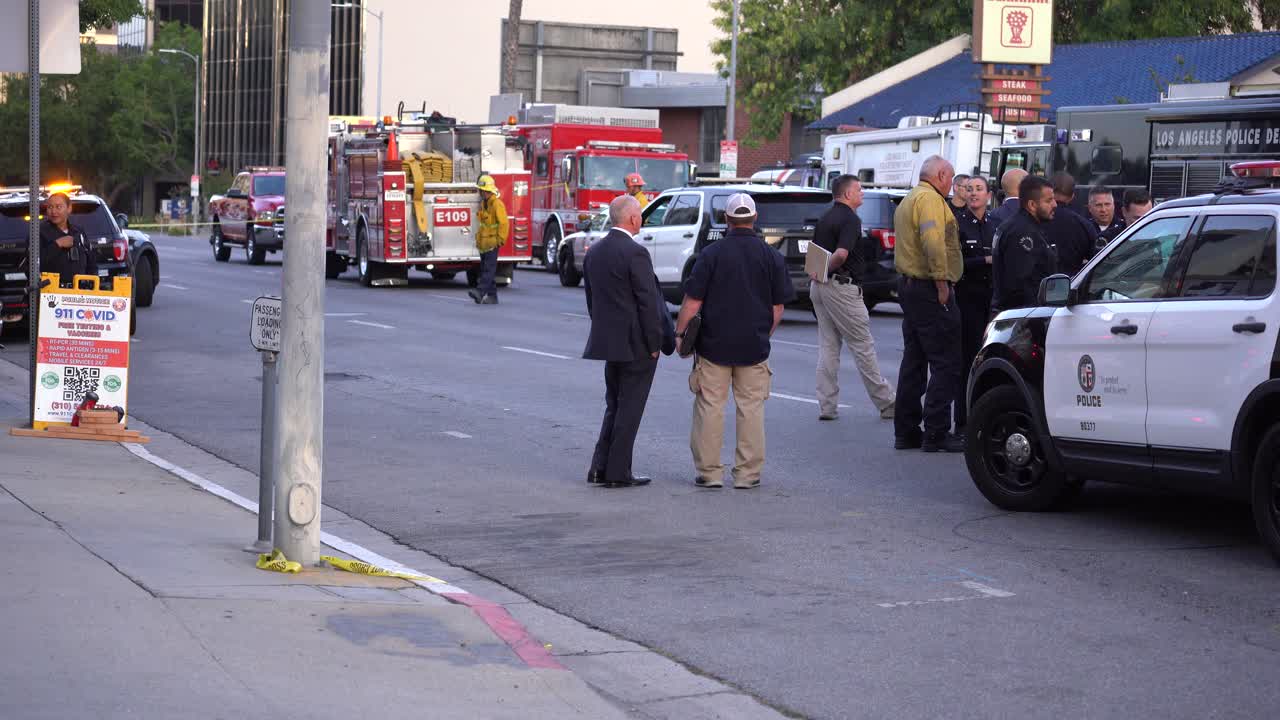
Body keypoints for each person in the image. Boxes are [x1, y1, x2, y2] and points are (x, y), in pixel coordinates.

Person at [676, 193, 793, 489]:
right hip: (753, 345)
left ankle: (710, 473)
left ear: (727, 220)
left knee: (710, 406)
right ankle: (747, 474)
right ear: (754, 219)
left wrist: (680, 335)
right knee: (751, 408)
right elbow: (778, 308)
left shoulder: (711, 254)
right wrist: (762, 333)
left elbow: (692, 302)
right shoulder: (772, 257)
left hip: (713, 344)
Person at [582, 195, 664, 489]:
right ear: (631, 219)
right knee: (629, 409)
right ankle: (618, 472)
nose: (642, 219)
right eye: (640, 214)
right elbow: (647, 303)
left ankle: (599, 467)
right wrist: (655, 343)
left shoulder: (595, 252)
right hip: (636, 344)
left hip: (609, 342)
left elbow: (592, 301)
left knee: (614, 405)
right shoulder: (636, 253)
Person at [892, 156, 965, 453]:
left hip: (910, 287)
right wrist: (941, 282)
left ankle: (906, 431)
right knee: (947, 360)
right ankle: (936, 431)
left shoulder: (910, 198)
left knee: (914, 360)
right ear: (941, 174)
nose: (952, 184)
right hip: (929, 288)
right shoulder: (931, 199)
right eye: (951, 178)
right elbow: (933, 242)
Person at [808, 175, 895, 422]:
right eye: (859, 189)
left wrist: (818, 273)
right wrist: (828, 268)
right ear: (847, 194)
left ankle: (827, 406)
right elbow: (841, 254)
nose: (863, 194)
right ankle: (887, 402)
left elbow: (815, 252)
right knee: (862, 345)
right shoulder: (850, 219)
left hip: (820, 287)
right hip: (842, 288)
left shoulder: (825, 218)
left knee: (828, 346)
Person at [953, 175, 996, 431]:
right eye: (969, 189)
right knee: (967, 361)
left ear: (988, 195)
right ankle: (962, 421)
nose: (974, 193)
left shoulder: (997, 225)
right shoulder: (957, 225)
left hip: (991, 300)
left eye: (979, 189)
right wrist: (984, 261)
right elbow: (955, 265)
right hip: (967, 299)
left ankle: (984, 418)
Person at [991, 175, 1058, 314]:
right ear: (1032, 205)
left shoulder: (1022, 225)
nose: (1055, 204)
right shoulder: (1022, 231)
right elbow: (1020, 284)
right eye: (1049, 200)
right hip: (1021, 315)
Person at [1045, 172, 1098, 276]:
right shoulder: (1084, 225)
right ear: (1072, 196)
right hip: (1071, 283)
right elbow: (1095, 260)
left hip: (1038, 284)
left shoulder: (1035, 219)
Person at [39, 192, 97, 288]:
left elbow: (91, 262)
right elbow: (32, 264)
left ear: (69, 208)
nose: (53, 211)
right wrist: (57, 244)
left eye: (58, 207)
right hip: (51, 292)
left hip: (79, 292)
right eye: (50, 207)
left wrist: (92, 285)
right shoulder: (39, 232)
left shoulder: (78, 232)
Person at [470, 175, 508, 305]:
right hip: (484, 244)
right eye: (480, 190)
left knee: (488, 270)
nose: (481, 193)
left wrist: (500, 240)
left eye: (483, 190)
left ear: (489, 191)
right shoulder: (484, 204)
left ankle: (480, 292)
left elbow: (503, 224)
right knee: (485, 269)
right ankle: (492, 297)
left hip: (492, 243)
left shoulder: (497, 205)